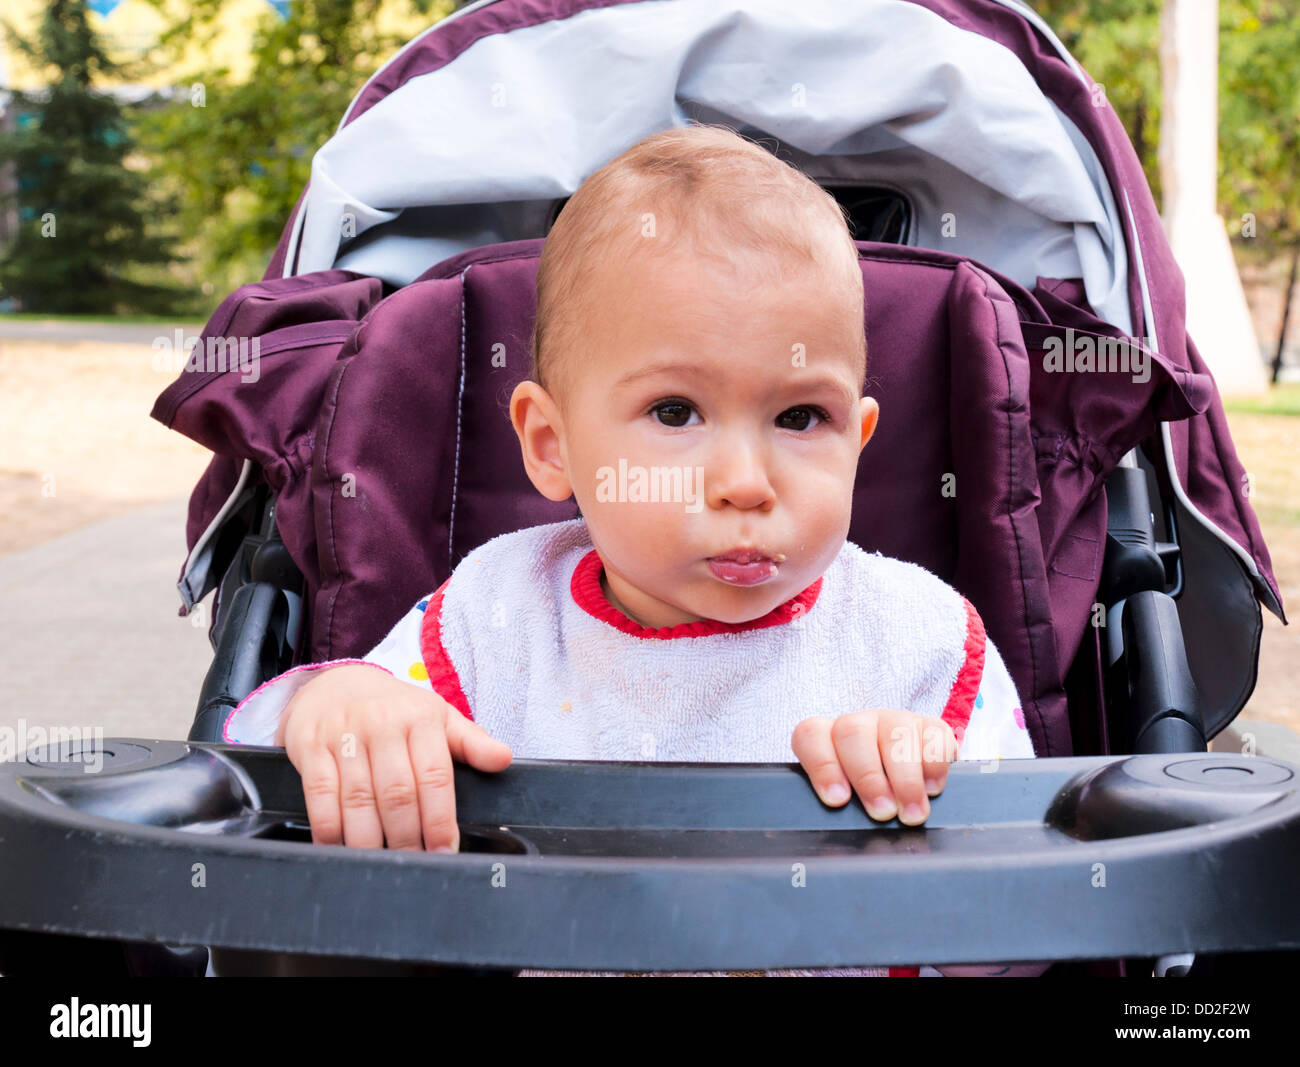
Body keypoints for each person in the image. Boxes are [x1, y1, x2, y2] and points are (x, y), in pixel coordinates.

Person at [223, 122, 1044, 976]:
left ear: (860, 437)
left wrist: (935, 798)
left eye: (802, 417)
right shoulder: (495, 617)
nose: (744, 481)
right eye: (676, 412)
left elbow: (1028, 933)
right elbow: (271, 763)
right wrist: (338, 705)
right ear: (551, 444)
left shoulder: (919, 644)